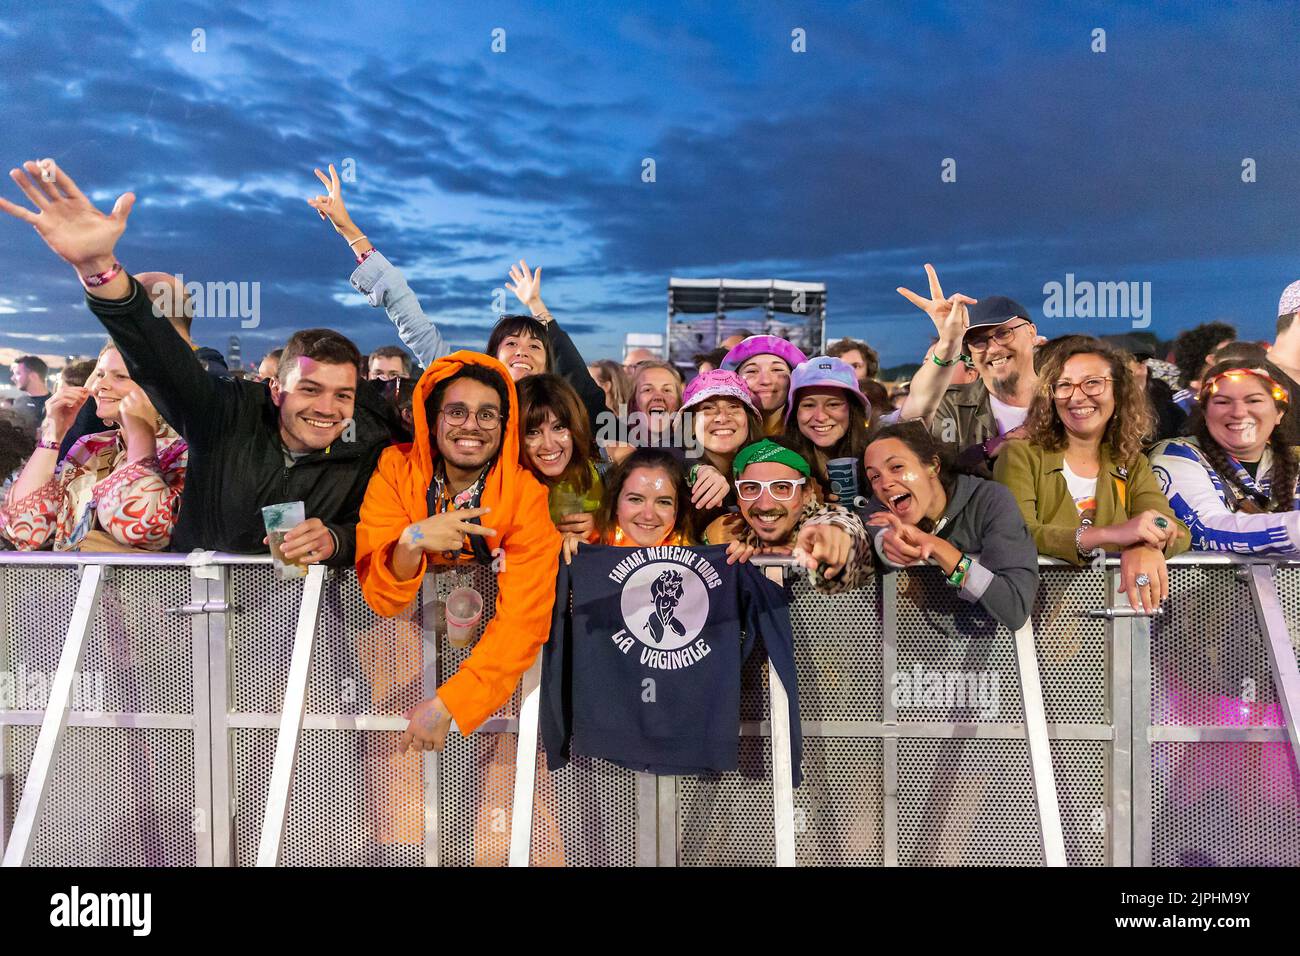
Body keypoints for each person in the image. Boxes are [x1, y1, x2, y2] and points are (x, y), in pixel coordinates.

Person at [0, 157, 403, 566]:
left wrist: (338, 540)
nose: (326, 408)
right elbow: (161, 361)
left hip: (303, 622)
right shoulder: (227, 416)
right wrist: (98, 268)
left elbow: (390, 525)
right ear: (277, 390)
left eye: (343, 395)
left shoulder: (367, 446)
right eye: (311, 389)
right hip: (196, 618)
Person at [355, 352, 561, 752]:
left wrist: (452, 702)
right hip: (399, 667)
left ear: (505, 425)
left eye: (487, 414)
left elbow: (524, 619)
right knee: (402, 802)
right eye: (457, 412)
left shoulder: (525, 494)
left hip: (495, 683)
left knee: (498, 801)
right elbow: (381, 597)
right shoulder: (396, 469)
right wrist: (411, 541)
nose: (471, 425)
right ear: (433, 420)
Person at [307, 166, 609, 435]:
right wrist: (350, 230)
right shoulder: (464, 387)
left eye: (534, 346)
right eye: (511, 344)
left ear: (548, 362)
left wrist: (536, 306)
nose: (522, 352)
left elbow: (581, 382)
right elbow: (412, 320)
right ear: (492, 357)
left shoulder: (567, 414)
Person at [993, 335, 1188, 613]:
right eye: (1064, 386)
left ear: (1118, 391)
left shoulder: (1130, 462)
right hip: (1037, 618)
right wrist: (1115, 535)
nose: (1077, 396)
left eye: (1093, 383)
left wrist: (1145, 545)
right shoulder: (1020, 455)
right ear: (1050, 396)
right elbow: (1017, 536)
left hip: (1113, 620)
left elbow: (1174, 528)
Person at [1, 342, 187, 552]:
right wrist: (53, 434)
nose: (100, 386)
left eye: (120, 376)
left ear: (159, 387)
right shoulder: (90, 447)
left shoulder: (184, 452)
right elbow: (24, 532)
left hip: (144, 585)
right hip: (71, 583)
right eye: (99, 375)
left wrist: (139, 432)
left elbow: (140, 529)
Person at [860, 421, 1038, 630]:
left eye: (896, 467)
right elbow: (867, 526)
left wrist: (941, 550)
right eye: (875, 476)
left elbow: (1013, 607)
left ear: (933, 466)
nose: (885, 483)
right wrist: (884, 542)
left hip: (994, 654)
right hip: (908, 652)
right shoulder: (880, 508)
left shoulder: (989, 501)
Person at [1150, 362, 1300, 555]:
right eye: (1222, 402)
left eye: (1254, 401)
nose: (1238, 412)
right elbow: (1206, 530)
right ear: (1204, 412)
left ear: (1279, 412)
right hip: (1204, 585)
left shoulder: (1294, 463)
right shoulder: (1174, 455)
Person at [702, 438, 873, 594]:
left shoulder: (825, 518)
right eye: (751, 488)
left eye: (782, 487)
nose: (765, 505)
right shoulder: (727, 532)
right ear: (738, 496)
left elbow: (843, 525)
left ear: (806, 492)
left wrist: (837, 540)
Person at [926, 293, 1039, 474]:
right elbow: (939, 475)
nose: (993, 348)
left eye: (1003, 333)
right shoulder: (952, 407)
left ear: (1031, 332)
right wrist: (990, 448)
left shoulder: (1065, 397)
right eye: (978, 341)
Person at [675, 368, 765, 536]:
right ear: (691, 424)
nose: (722, 418)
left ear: (748, 419)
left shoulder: (767, 468)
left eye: (734, 406)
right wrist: (695, 468)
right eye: (708, 408)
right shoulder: (671, 469)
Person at [516, 373, 602, 538]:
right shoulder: (506, 486)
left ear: (575, 427)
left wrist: (597, 527)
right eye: (533, 432)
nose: (548, 445)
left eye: (558, 427)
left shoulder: (596, 475)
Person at [782, 355, 870, 500]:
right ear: (794, 413)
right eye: (808, 405)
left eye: (833, 404)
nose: (821, 417)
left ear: (852, 409)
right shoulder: (781, 464)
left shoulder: (874, 458)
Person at [720, 335, 808, 437]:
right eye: (752, 371)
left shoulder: (811, 435)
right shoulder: (723, 436)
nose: (765, 381)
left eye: (777, 370)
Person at [9, 355, 50, 430]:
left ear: (33, 376)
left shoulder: (53, 404)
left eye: (18, 373)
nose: (12, 378)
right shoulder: (18, 401)